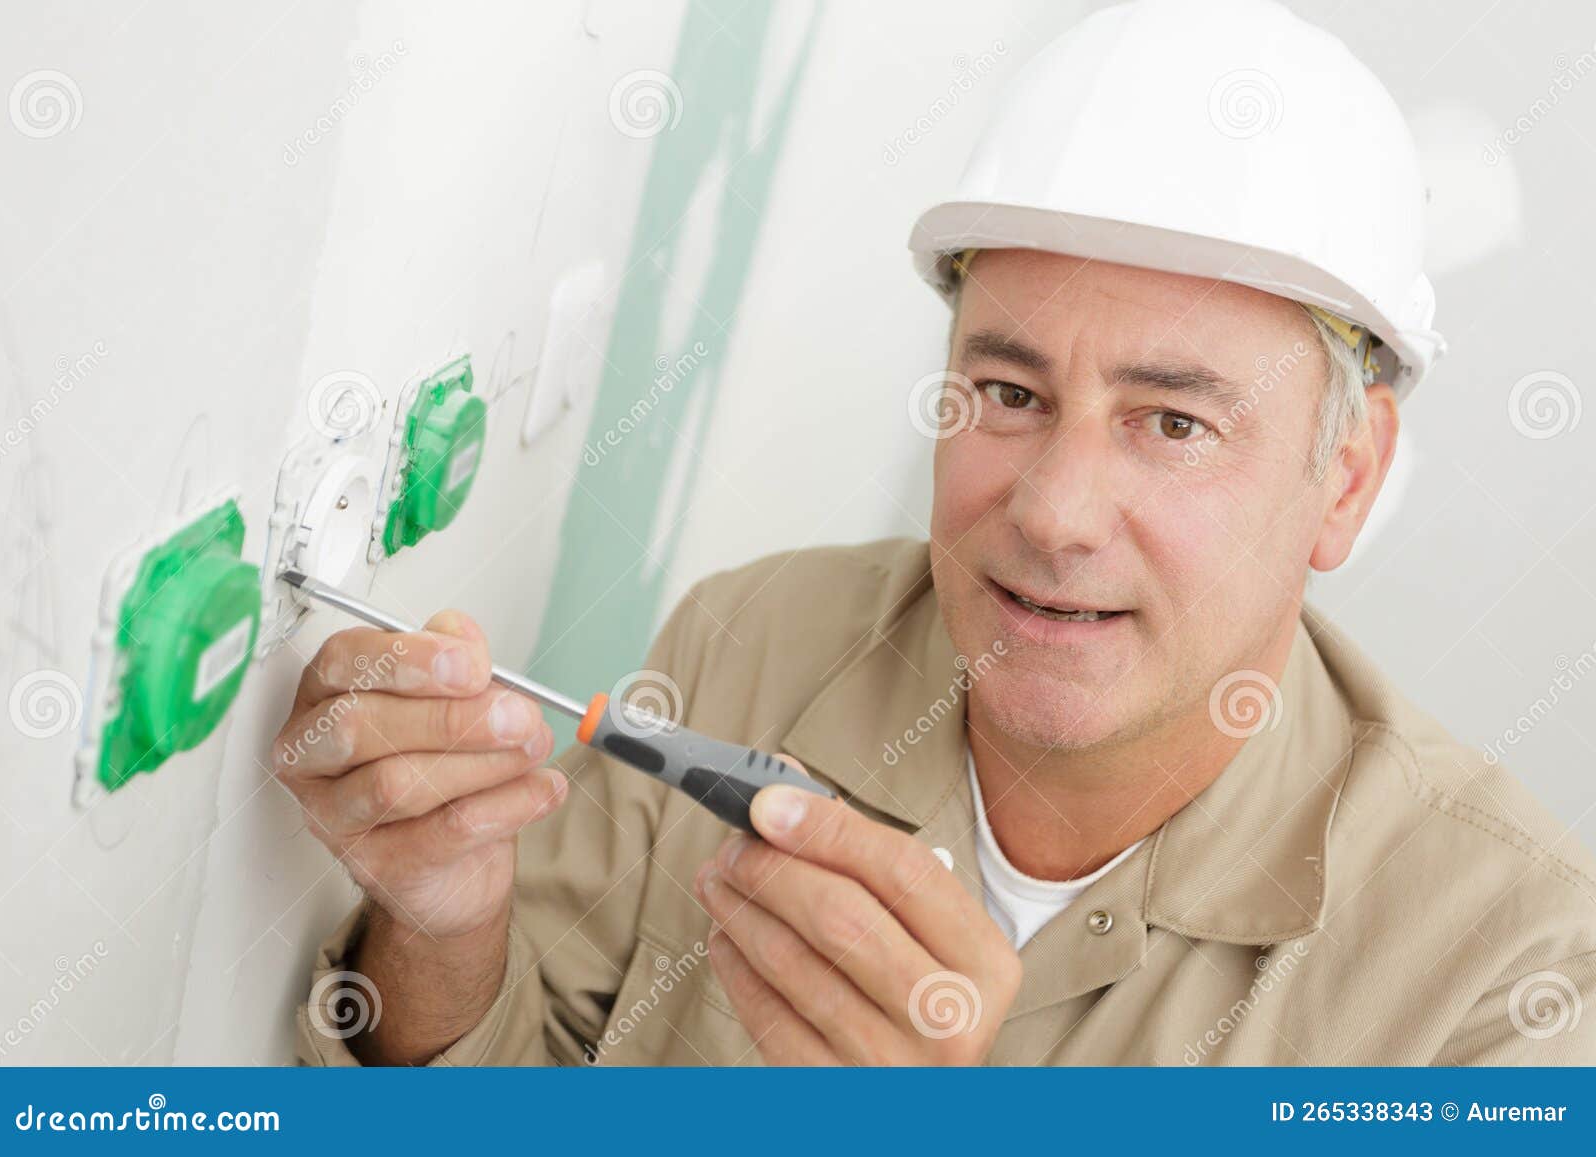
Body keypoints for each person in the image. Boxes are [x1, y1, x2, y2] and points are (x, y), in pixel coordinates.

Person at [282, 0, 1596, 1065]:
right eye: (1011, 395)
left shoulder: (1502, 984)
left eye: (1174, 424)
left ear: (1348, 477)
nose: (1051, 511)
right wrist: (443, 930)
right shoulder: (752, 639)